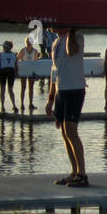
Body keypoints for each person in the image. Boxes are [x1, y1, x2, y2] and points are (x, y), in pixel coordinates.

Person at [46, 28, 88, 186]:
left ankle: (82, 173)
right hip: (60, 90)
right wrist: (50, 98)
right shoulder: (56, 42)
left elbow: (72, 51)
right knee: (64, 133)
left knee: (71, 130)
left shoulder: (77, 36)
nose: (51, 28)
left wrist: (71, 27)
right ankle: (74, 171)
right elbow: (54, 69)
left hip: (74, 88)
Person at [0, 40, 19, 112]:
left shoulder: (1, 55)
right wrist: (16, 74)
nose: (2, 48)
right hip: (11, 72)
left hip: (3, 71)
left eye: (3, 46)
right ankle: (14, 105)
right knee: (10, 90)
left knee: (2, 89)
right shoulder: (13, 55)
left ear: (6, 47)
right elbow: (16, 66)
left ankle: (2, 106)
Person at [19, 36, 41, 110]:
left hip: (31, 71)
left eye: (30, 42)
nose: (29, 43)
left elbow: (36, 61)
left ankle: (30, 104)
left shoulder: (35, 51)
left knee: (31, 88)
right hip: (24, 71)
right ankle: (22, 104)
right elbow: (17, 59)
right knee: (23, 88)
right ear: (26, 42)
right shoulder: (23, 50)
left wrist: (36, 72)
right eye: (28, 42)